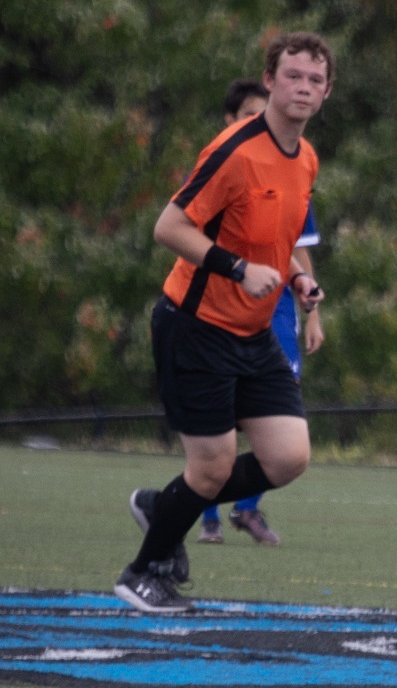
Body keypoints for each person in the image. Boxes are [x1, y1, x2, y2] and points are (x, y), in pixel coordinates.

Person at [114, 33, 331, 612]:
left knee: (287, 458)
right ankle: (142, 572)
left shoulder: (306, 157)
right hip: (196, 325)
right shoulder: (237, 150)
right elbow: (169, 227)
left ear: (326, 91)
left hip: (252, 333)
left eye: (315, 80)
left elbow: (275, 239)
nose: (303, 88)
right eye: (293, 77)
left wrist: (296, 279)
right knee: (209, 470)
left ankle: (165, 507)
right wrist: (235, 268)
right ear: (269, 80)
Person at [197, 77, 325, 548]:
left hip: (276, 316)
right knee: (224, 421)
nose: (258, 123)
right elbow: (185, 233)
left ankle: (245, 509)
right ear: (230, 121)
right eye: (248, 115)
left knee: (282, 422)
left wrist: (309, 308)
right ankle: (205, 513)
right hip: (225, 311)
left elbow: (293, 244)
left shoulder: (295, 166)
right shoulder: (224, 165)